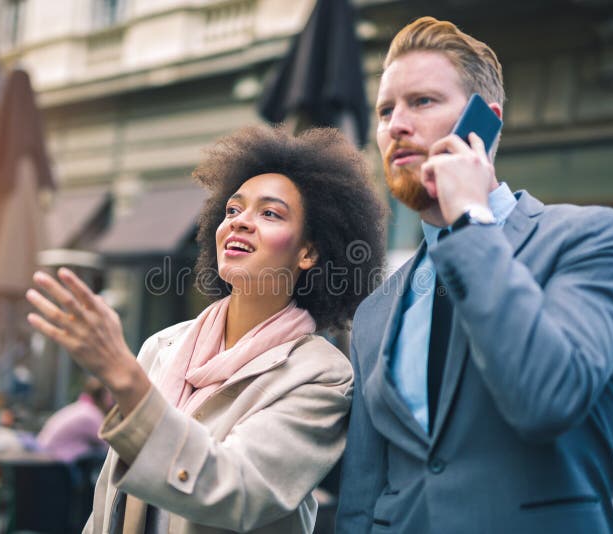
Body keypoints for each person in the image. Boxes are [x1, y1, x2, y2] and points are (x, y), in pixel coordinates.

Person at [335, 16, 613, 534]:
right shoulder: (374, 310)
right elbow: (362, 495)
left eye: (422, 102)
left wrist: (470, 219)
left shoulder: (590, 238)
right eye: (386, 110)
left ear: (485, 121)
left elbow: (547, 397)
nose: (396, 125)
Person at [26, 126, 385, 533]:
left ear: (309, 251)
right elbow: (109, 500)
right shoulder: (162, 346)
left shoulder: (322, 376)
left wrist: (124, 380)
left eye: (269, 213)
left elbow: (239, 491)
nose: (240, 223)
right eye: (232, 210)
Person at [36, 376, 111, 463]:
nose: (112, 400)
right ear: (103, 396)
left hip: (46, 453)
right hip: (55, 460)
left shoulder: (82, 407)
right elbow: (107, 444)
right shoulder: (91, 414)